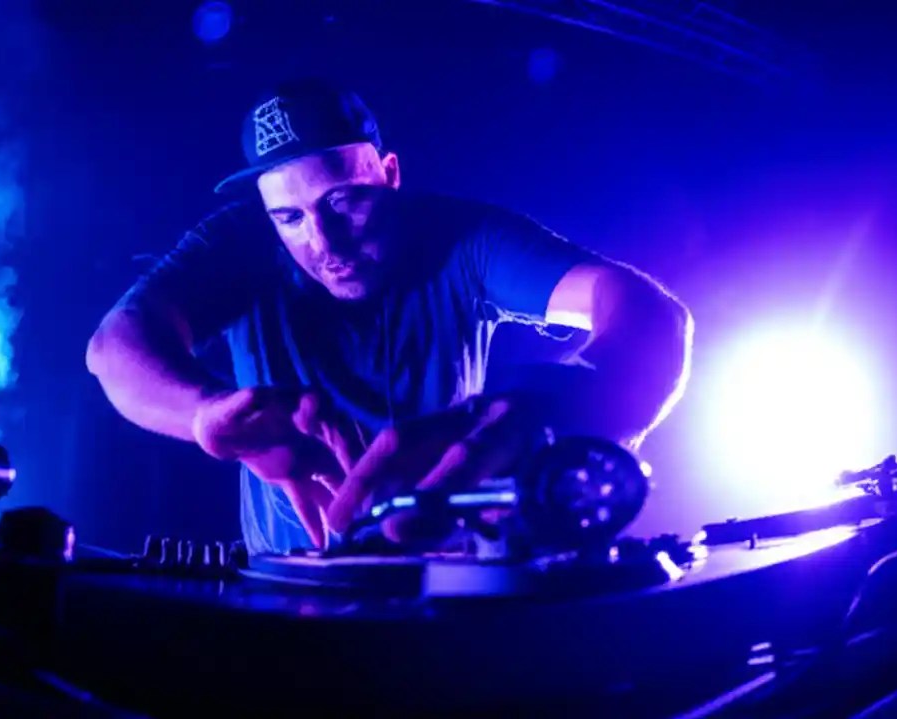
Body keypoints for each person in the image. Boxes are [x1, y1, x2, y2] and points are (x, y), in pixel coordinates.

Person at [86, 78, 693, 555]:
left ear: (391, 175)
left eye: (343, 201)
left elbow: (650, 313)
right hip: (290, 594)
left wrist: (558, 409)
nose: (323, 242)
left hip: (447, 579)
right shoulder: (242, 241)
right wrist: (203, 414)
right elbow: (114, 347)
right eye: (289, 218)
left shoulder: (463, 236)